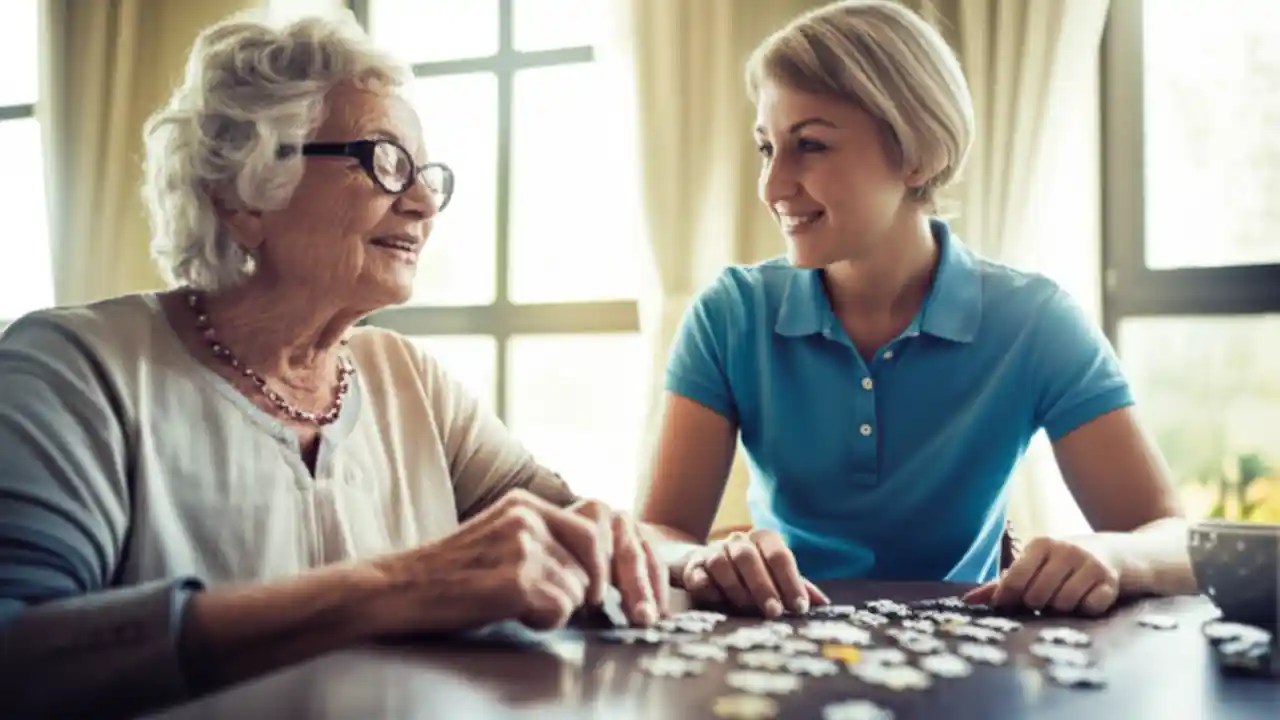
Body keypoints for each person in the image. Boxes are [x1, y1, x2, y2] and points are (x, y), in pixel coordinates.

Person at [0, 12, 668, 717]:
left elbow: (570, 534)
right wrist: (394, 588)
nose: (423, 201)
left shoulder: (412, 380)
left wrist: (693, 561)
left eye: (425, 172)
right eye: (383, 161)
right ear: (240, 194)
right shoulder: (73, 371)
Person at [640, 0, 1198, 620]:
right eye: (767, 147)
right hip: (777, 651)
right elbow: (660, 532)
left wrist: (1115, 557)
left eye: (811, 145)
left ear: (919, 155)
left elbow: (1173, 537)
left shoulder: (1034, 320)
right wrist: (696, 561)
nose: (773, 186)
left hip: (972, 666)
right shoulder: (729, 315)